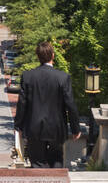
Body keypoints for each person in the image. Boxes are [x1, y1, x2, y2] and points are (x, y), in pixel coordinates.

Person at [13, 40, 81, 168]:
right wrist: (75, 128)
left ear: (38, 56)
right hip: (56, 128)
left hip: (34, 127)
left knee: (37, 162)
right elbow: (70, 104)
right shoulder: (62, 77)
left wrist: (18, 126)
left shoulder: (28, 76)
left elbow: (22, 103)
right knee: (56, 160)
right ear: (53, 56)